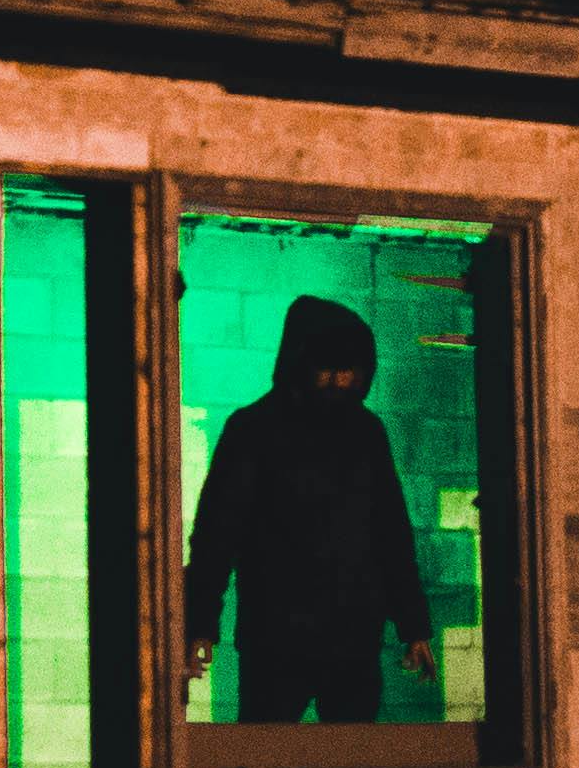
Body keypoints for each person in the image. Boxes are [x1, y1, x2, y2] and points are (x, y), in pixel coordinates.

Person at [179, 298, 437, 724]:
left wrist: (414, 626)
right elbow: (216, 537)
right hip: (280, 644)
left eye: (348, 369)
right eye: (328, 368)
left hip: (344, 642)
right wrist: (200, 623)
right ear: (300, 364)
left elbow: (391, 534)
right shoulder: (255, 431)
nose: (340, 380)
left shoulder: (364, 434)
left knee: (335, 761)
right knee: (273, 758)